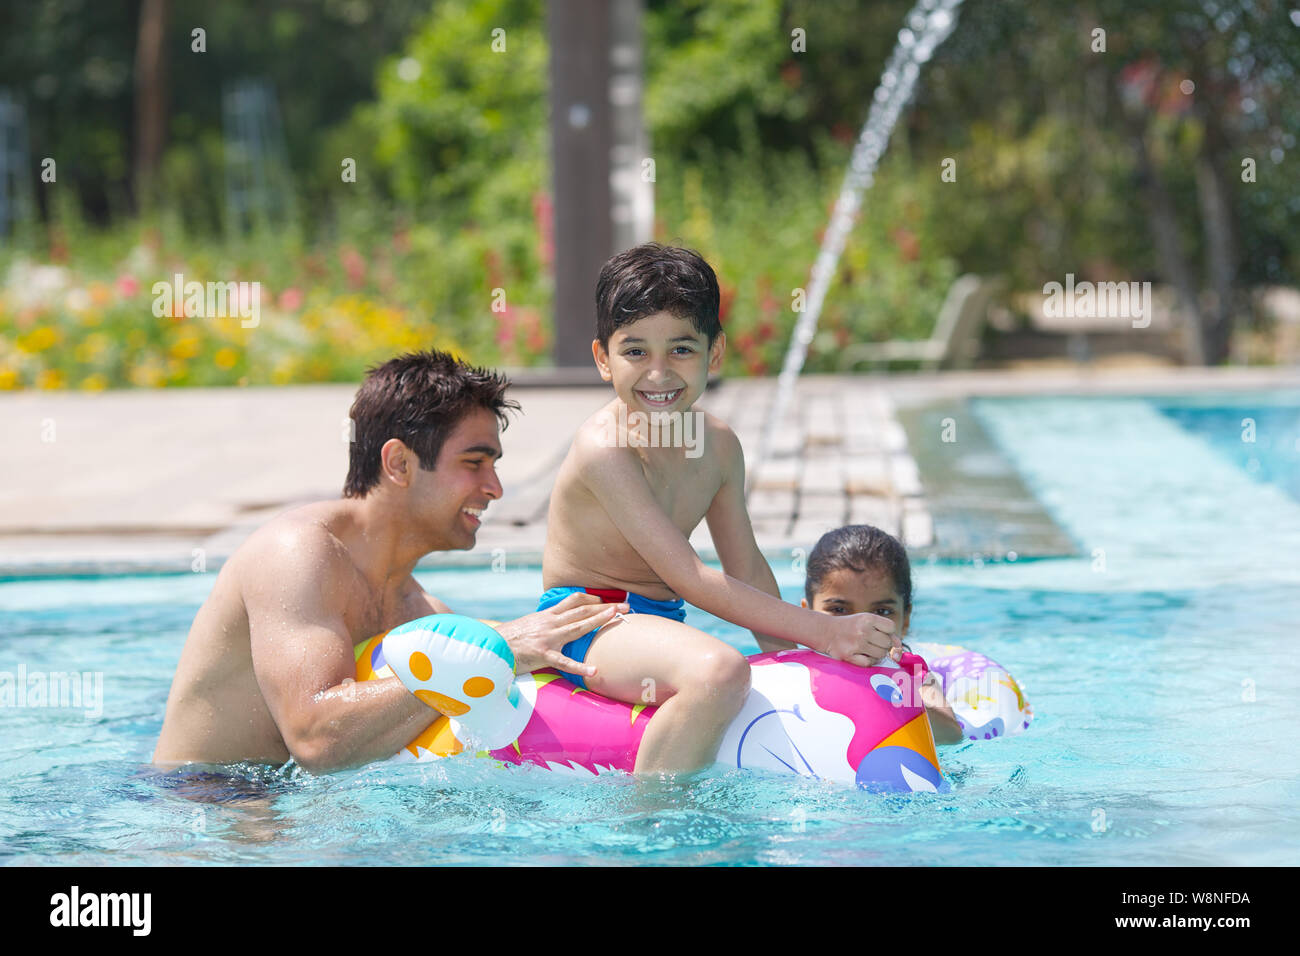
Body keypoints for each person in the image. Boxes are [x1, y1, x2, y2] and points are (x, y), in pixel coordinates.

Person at [153, 351, 629, 773]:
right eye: (474, 462)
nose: (495, 488)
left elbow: (522, 657)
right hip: (204, 813)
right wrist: (493, 650)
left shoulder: (421, 612)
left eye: (495, 464)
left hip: (288, 818)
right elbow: (315, 740)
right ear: (399, 464)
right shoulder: (295, 553)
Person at [539, 242, 901, 774]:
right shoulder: (604, 449)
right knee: (719, 671)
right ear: (602, 359)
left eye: (681, 350)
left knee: (739, 666)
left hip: (657, 622)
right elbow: (687, 575)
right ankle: (648, 827)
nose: (659, 374)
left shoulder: (718, 446)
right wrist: (822, 631)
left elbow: (746, 566)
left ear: (715, 353)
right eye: (635, 352)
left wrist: (802, 655)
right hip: (586, 620)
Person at [801, 524, 963, 744]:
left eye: (881, 612)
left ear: (904, 620)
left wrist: (895, 702)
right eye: (838, 610)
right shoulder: (797, 669)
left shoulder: (910, 672)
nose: (861, 629)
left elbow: (951, 734)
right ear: (806, 614)